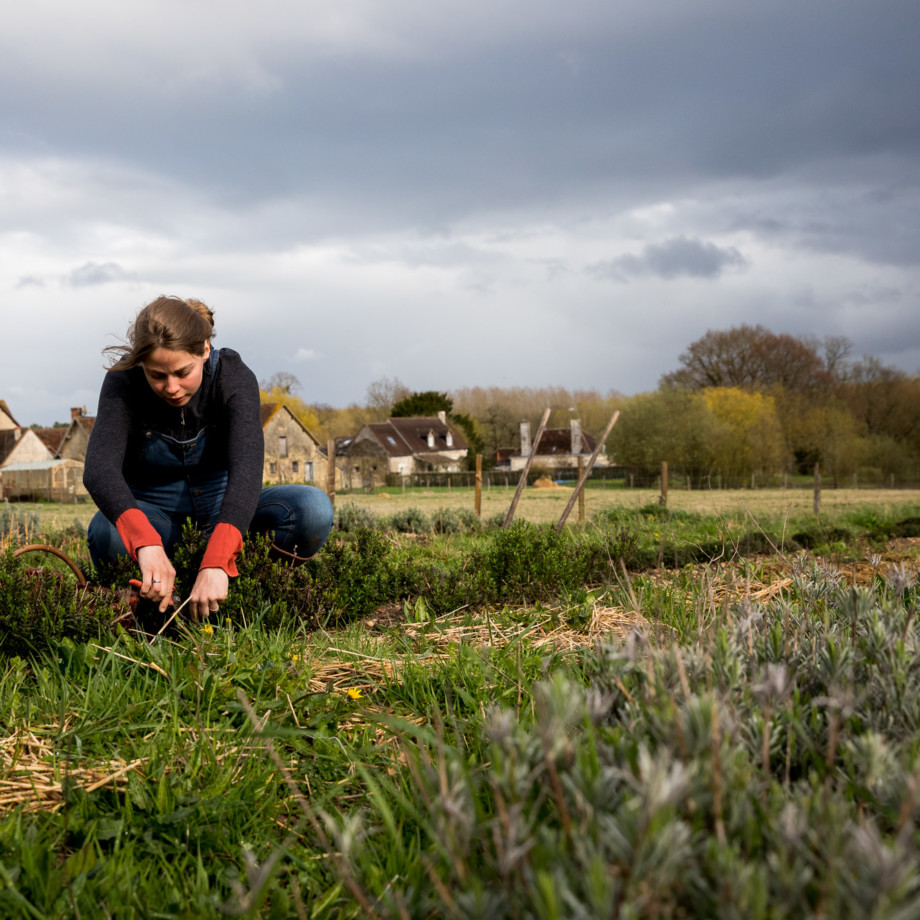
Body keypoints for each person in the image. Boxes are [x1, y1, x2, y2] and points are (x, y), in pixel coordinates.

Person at [84, 295, 334, 621]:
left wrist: (217, 559)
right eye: (157, 375)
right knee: (106, 531)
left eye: (182, 372)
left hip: (227, 516)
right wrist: (146, 544)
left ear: (204, 350)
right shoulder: (123, 383)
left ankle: (244, 591)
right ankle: (158, 601)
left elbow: (246, 472)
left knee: (312, 508)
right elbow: (99, 470)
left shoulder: (233, 376)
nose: (171, 387)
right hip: (159, 526)